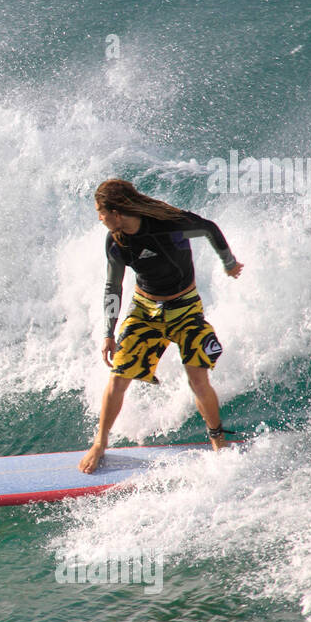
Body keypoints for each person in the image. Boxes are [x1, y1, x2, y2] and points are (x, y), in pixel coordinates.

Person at [79, 179, 244, 474]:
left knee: (197, 380)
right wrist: (108, 332)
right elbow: (113, 285)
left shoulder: (168, 223)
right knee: (118, 377)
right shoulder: (116, 241)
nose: (99, 217)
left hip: (184, 308)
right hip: (145, 311)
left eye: (100, 212)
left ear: (115, 211)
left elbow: (208, 228)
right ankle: (100, 443)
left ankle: (218, 438)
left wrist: (228, 262)